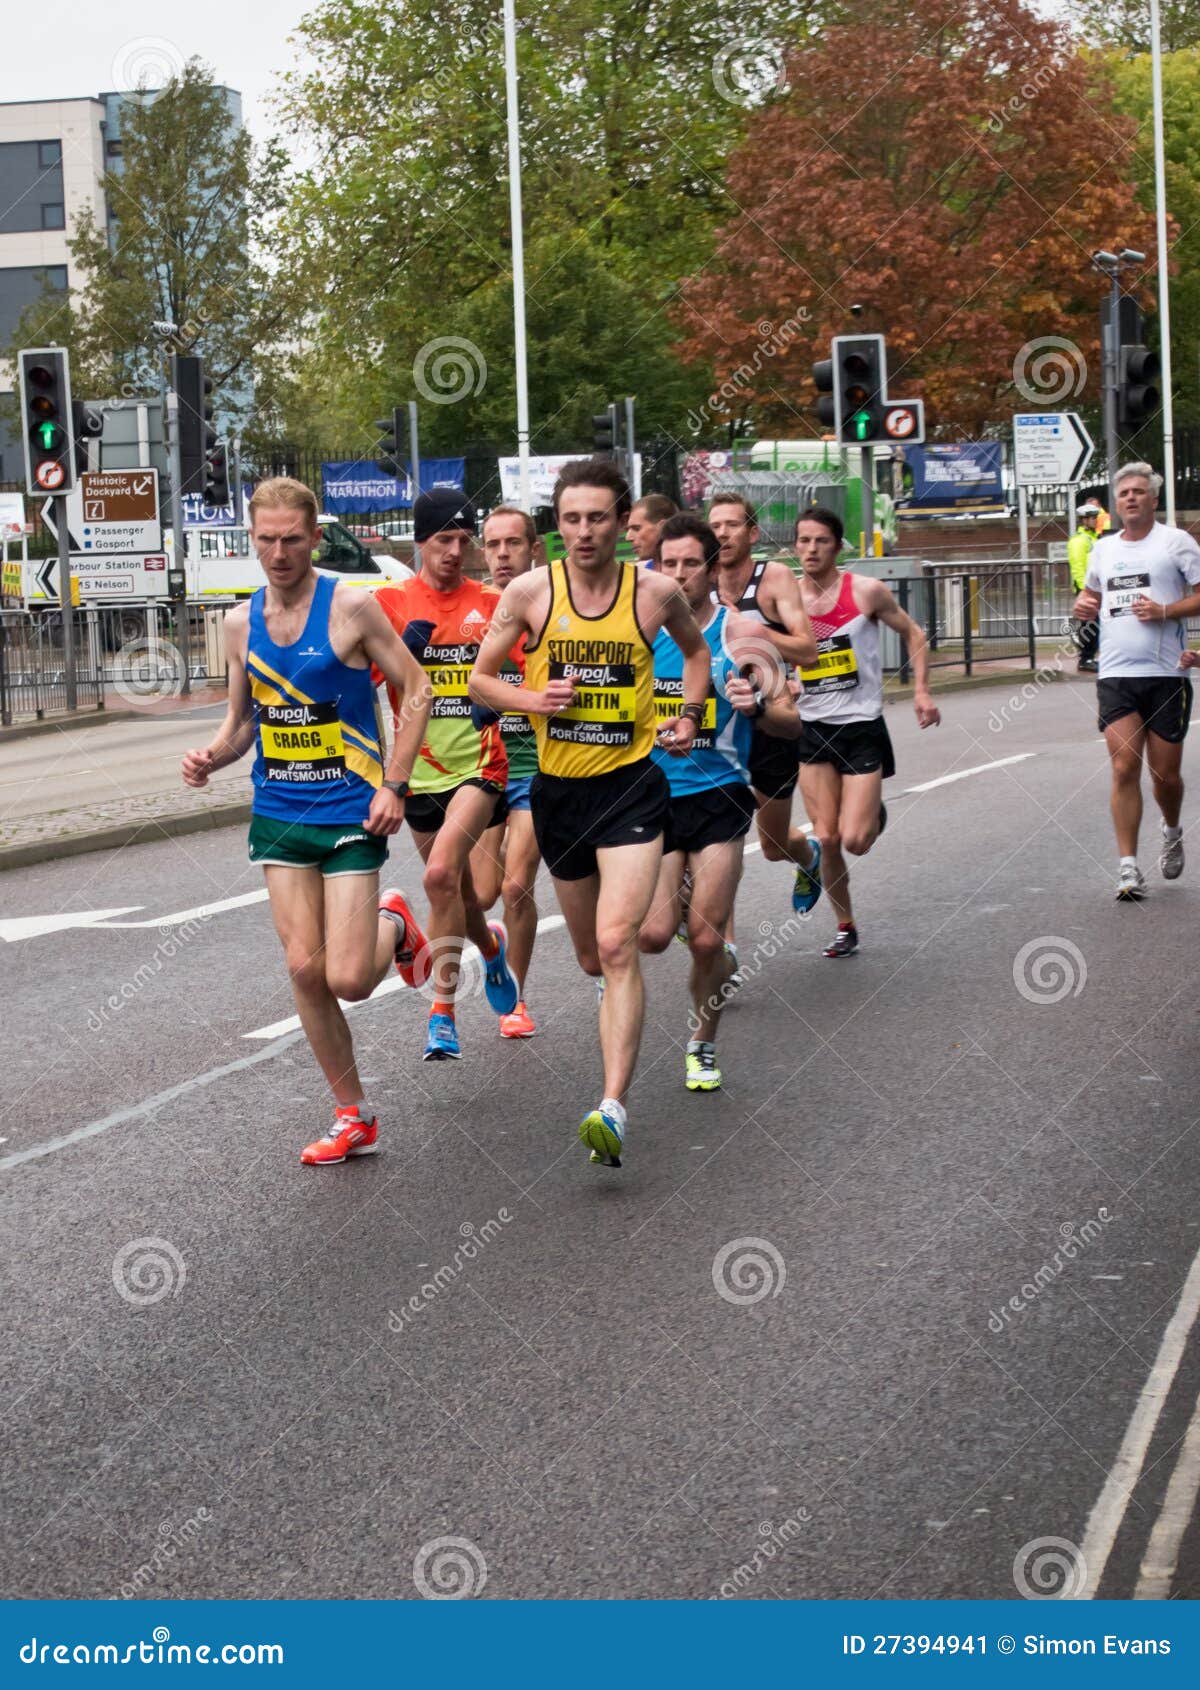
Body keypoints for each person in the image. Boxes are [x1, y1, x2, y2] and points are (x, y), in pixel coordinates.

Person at [180, 477, 432, 1166]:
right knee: (303, 967)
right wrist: (210, 757)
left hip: (351, 808)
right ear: (251, 538)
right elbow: (244, 723)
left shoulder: (351, 607)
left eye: (292, 538)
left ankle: (394, 923)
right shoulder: (239, 623)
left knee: (350, 979)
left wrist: (396, 783)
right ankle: (353, 1115)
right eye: (266, 539)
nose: (279, 552)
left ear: (316, 537)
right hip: (280, 810)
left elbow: (418, 687)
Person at [470, 456, 711, 1168]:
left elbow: (697, 656)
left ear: (622, 522)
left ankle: (612, 1106)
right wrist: (533, 700)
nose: (583, 532)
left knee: (615, 944)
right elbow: (482, 680)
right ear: (557, 524)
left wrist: (689, 716)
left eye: (597, 518)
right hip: (558, 794)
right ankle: (617, 1001)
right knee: (587, 957)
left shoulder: (655, 592)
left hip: (631, 788)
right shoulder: (530, 593)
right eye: (570, 519)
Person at [638, 513, 799, 1091]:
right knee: (653, 935)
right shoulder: (641, 632)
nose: (679, 574)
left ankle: (702, 1043)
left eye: (691, 563)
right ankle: (697, 929)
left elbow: (790, 722)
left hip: (719, 795)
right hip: (652, 797)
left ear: (712, 569)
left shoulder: (741, 634)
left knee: (706, 939)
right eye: (669, 564)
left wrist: (757, 704)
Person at [374, 488, 519, 1058]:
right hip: (418, 772)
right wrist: (398, 658)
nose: (456, 551)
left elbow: (526, 672)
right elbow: (360, 680)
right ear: (420, 542)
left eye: (463, 539)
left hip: (480, 766)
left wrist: (500, 696)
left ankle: (442, 1014)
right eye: (443, 540)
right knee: (457, 890)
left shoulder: (493, 602)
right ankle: (492, 949)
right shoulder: (390, 602)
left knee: (438, 876)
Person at [794, 506, 941, 956]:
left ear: (837, 547)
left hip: (860, 726)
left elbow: (914, 633)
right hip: (811, 727)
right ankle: (845, 925)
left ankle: (872, 812)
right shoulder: (786, 599)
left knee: (856, 840)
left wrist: (921, 691)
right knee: (827, 838)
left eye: (821, 541)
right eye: (804, 540)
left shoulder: (866, 591)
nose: (811, 549)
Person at [1072, 463, 1200, 899]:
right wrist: (1083, 604)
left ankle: (1172, 829)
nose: (1130, 497)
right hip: (1116, 674)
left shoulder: (1176, 543)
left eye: (1139, 491)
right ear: (1117, 502)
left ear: (1153, 500)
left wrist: (1165, 611)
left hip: (1166, 675)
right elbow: (1091, 595)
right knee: (1124, 766)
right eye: (1124, 492)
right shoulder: (1103, 549)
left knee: (1166, 777)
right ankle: (1128, 867)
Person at [708, 491, 823, 915]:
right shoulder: (700, 580)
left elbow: (808, 650)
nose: (722, 533)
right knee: (715, 835)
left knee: (773, 846)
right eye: (714, 526)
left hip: (770, 718)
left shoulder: (773, 577)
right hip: (720, 724)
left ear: (752, 533)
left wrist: (747, 628)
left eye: (731, 525)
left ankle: (809, 857)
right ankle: (715, 933)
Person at [469, 504, 544, 1037]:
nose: (502, 555)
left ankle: (515, 998)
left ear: (533, 549)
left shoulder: (552, 609)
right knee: (480, 895)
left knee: (517, 887)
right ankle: (491, 947)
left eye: (512, 543)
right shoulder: (471, 610)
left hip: (536, 767)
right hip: (481, 766)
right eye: (493, 545)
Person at [1068, 502, 1102, 672]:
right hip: (1087, 590)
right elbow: (1078, 567)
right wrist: (1085, 590)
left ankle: (1090, 656)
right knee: (1090, 624)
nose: (1096, 520)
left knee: (1096, 624)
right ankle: (1085, 658)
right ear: (1084, 520)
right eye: (1092, 518)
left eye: (1096, 517)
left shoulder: (1094, 538)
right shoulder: (1078, 541)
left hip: (1097, 589)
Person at [625, 493, 678, 568]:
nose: (628, 538)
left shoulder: (690, 571)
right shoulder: (637, 571)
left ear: (663, 527)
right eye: (627, 530)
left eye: (636, 528)